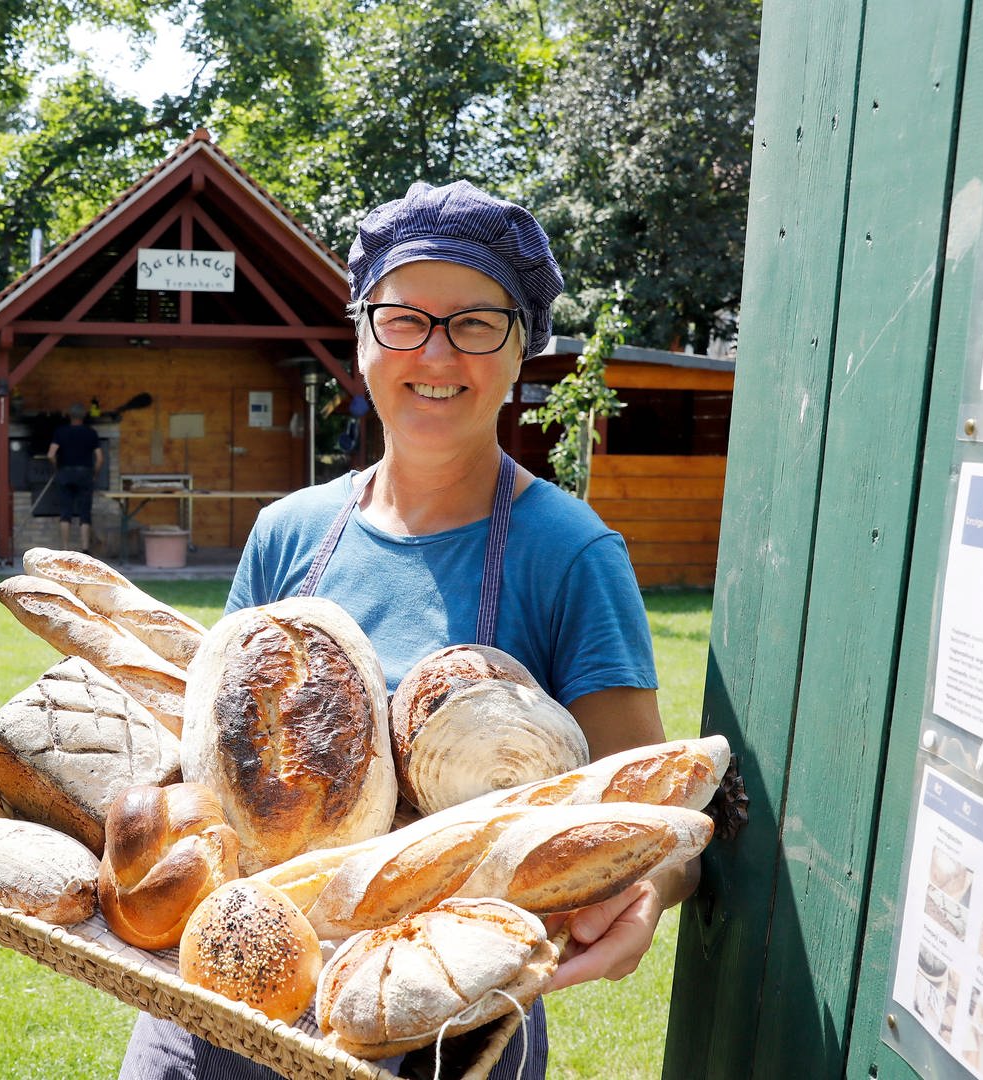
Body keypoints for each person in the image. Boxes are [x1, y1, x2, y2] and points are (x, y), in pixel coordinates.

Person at [120, 180, 696, 1079]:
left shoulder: (572, 554)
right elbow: (201, 760)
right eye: (403, 319)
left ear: (520, 354)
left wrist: (646, 899)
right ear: (361, 340)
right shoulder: (289, 532)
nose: (436, 351)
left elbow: (652, 816)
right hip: (219, 998)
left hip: (441, 1022)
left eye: (475, 323)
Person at [48, 403, 105, 552]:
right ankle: (85, 548)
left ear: (69, 416)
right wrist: (95, 475)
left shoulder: (60, 432)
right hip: (85, 474)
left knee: (65, 511)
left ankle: (65, 548)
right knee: (85, 512)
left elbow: (51, 455)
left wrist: (57, 469)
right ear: (83, 416)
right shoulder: (91, 433)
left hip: (65, 473)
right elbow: (100, 459)